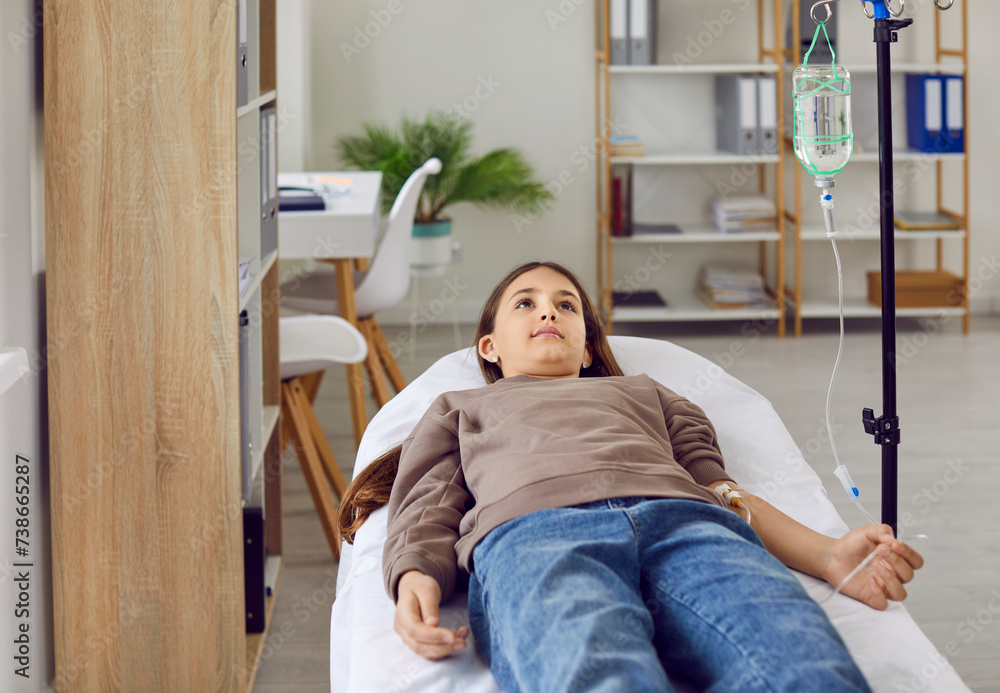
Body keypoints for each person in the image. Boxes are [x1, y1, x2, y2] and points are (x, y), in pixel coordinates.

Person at [337, 261, 923, 693]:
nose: (549, 311)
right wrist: (416, 577)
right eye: (526, 303)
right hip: (535, 535)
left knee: (799, 662)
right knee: (597, 671)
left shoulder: (646, 394)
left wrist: (826, 554)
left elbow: (721, 491)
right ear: (488, 346)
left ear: (589, 345)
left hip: (688, 526)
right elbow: (427, 503)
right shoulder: (459, 406)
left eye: (567, 306)